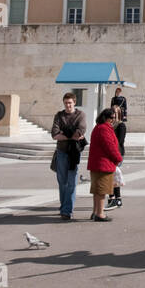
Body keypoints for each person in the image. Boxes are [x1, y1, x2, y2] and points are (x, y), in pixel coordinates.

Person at [50, 92, 87, 220]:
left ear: (74, 103)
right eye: (66, 103)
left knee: (72, 181)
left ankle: (67, 210)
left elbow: (80, 131)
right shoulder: (59, 116)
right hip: (61, 152)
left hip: (74, 153)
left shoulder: (80, 115)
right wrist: (71, 135)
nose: (68, 105)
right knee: (62, 181)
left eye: (70, 102)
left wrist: (64, 134)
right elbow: (54, 134)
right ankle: (63, 206)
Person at [86, 108, 123, 221]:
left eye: (114, 117)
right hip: (103, 164)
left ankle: (95, 212)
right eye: (111, 118)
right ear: (105, 118)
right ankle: (100, 214)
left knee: (97, 190)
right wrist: (118, 158)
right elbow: (110, 147)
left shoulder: (99, 127)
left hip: (98, 163)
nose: (113, 120)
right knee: (102, 191)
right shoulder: (104, 129)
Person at [107, 108, 127, 210]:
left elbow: (120, 141)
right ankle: (115, 199)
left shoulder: (121, 125)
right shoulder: (109, 125)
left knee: (112, 176)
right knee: (112, 176)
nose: (113, 114)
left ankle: (114, 198)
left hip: (117, 153)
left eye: (115, 112)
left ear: (119, 113)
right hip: (110, 153)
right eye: (112, 112)